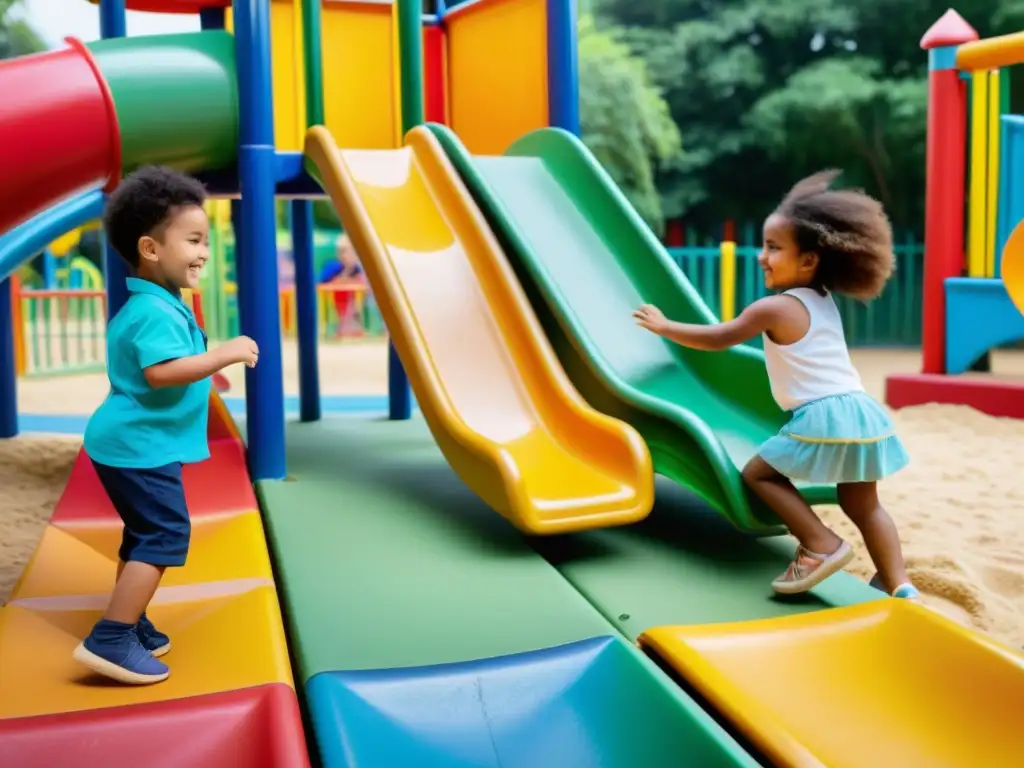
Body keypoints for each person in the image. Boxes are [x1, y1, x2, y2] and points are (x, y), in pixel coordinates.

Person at [633, 170, 918, 600]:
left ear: (809, 260)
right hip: (861, 410)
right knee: (864, 504)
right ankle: (900, 584)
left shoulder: (774, 308)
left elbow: (719, 339)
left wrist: (665, 326)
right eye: (763, 245)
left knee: (758, 475)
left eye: (773, 247)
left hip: (822, 413)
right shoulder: (822, 299)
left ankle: (821, 544)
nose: (761, 256)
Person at [75, 167, 260, 685]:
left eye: (207, 240)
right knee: (163, 536)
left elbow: (167, 368)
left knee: (143, 534)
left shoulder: (157, 301)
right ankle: (111, 636)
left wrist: (204, 381)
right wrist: (221, 356)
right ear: (151, 249)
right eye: (194, 240)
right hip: (138, 447)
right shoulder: (155, 311)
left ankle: (130, 620)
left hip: (130, 443)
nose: (204, 252)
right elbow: (159, 373)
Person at [319, 232, 366, 337]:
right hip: (331, 303)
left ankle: (354, 327)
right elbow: (323, 283)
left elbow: (361, 283)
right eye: (346, 252)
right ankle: (339, 329)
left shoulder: (357, 269)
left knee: (355, 307)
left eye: (353, 253)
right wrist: (344, 276)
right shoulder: (332, 267)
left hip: (351, 302)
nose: (350, 256)